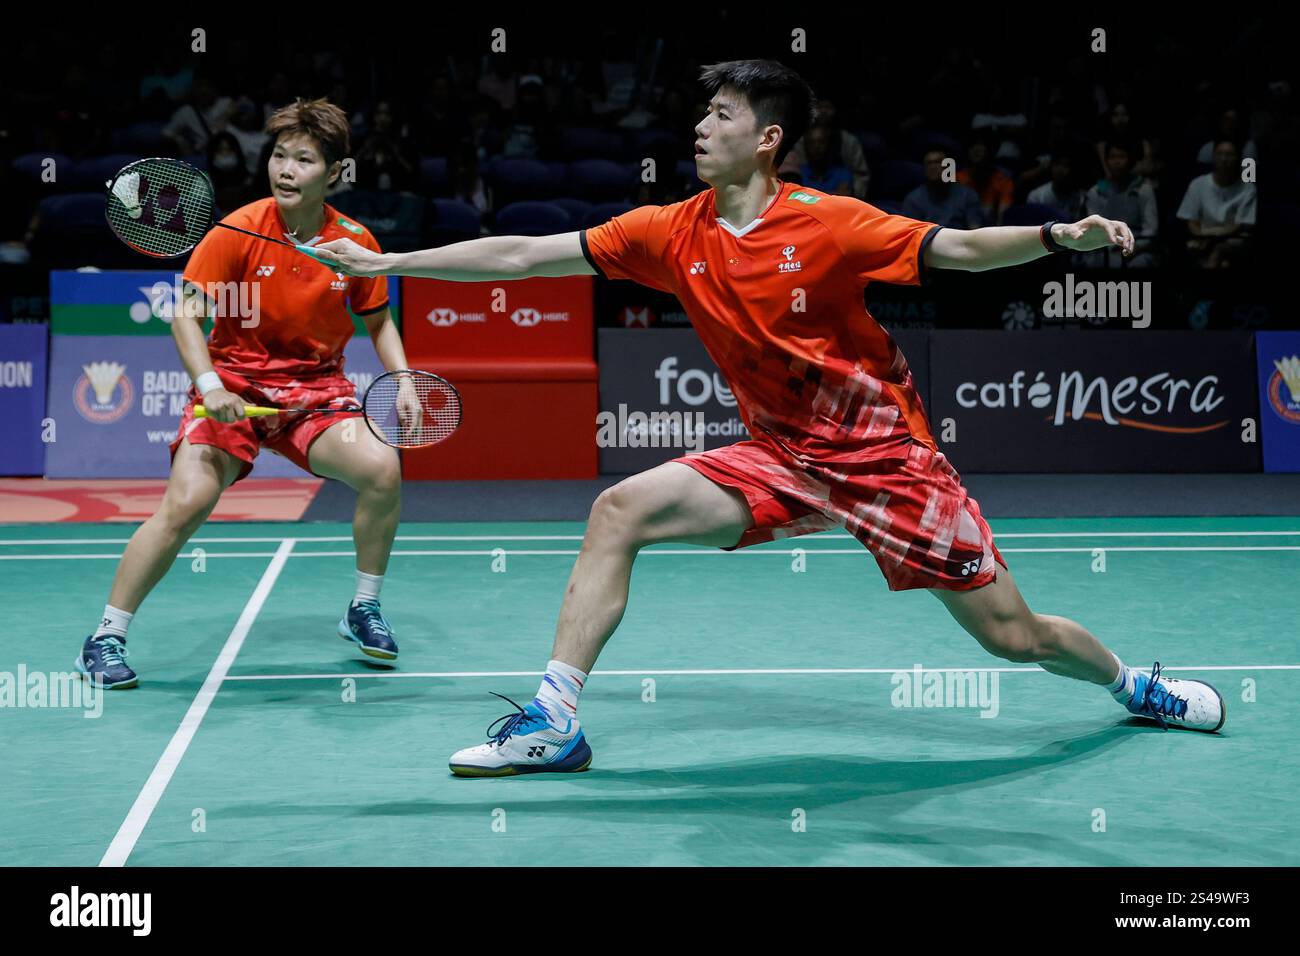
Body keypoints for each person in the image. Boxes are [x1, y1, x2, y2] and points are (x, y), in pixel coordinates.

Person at [311, 59, 1227, 776]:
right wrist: (389, 265)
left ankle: (1134, 685)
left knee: (1012, 637)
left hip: (885, 461)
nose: (699, 127)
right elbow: (520, 255)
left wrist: (1051, 237)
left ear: (768, 138)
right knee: (616, 511)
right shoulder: (670, 231)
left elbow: (959, 250)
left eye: (720, 116)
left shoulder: (829, 224)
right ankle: (554, 722)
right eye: (702, 113)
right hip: (781, 455)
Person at [77, 98, 418, 690]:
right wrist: (210, 384)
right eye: (280, 156)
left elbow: (379, 319)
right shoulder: (234, 231)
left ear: (335, 172)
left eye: (304, 160)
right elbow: (186, 317)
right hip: (232, 385)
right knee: (185, 505)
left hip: (312, 393)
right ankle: (105, 636)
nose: (286, 169)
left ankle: (363, 606)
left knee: (382, 470)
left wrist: (405, 379)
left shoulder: (354, 242)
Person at [1176, 138, 1256, 269]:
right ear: (1213, 157)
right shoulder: (1198, 184)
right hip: (1202, 238)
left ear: (1238, 158)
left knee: (1220, 253)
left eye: (1229, 155)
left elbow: (1240, 226)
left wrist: (1212, 236)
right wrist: (1203, 236)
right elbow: (1191, 221)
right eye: (1220, 154)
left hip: (1233, 240)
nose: (1224, 159)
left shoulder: (1248, 188)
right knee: (1223, 264)